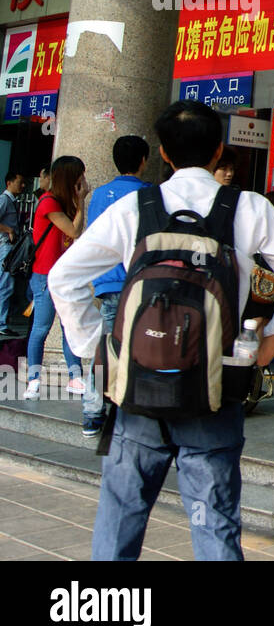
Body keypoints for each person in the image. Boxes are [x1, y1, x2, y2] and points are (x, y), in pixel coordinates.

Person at [48, 100, 274, 560]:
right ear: (218, 151)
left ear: (163, 154)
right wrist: (273, 344)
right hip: (215, 389)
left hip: (138, 395)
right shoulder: (248, 207)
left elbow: (63, 278)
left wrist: (101, 348)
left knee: (120, 521)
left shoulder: (136, 207)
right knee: (213, 524)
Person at [79, 135, 150, 437]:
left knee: (104, 347)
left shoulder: (99, 195)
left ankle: (93, 411)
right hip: (138, 284)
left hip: (106, 283)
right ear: (144, 161)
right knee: (138, 347)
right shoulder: (150, 194)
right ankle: (126, 408)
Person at [25, 156, 88, 399]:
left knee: (68, 327)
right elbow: (74, 231)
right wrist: (81, 200)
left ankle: (75, 377)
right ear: (70, 177)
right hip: (45, 277)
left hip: (62, 276)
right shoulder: (49, 202)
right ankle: (33, 379)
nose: (83, 179)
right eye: (80, 175)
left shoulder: (62, 202)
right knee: (41, 328)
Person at [0, 171, 25, 337]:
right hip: (5, 245)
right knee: (5, 284)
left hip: (10, 246)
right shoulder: (4, 200)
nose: (22, 186)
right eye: (20, 182)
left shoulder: (12, 201)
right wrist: (8, 230)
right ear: (9, 183)